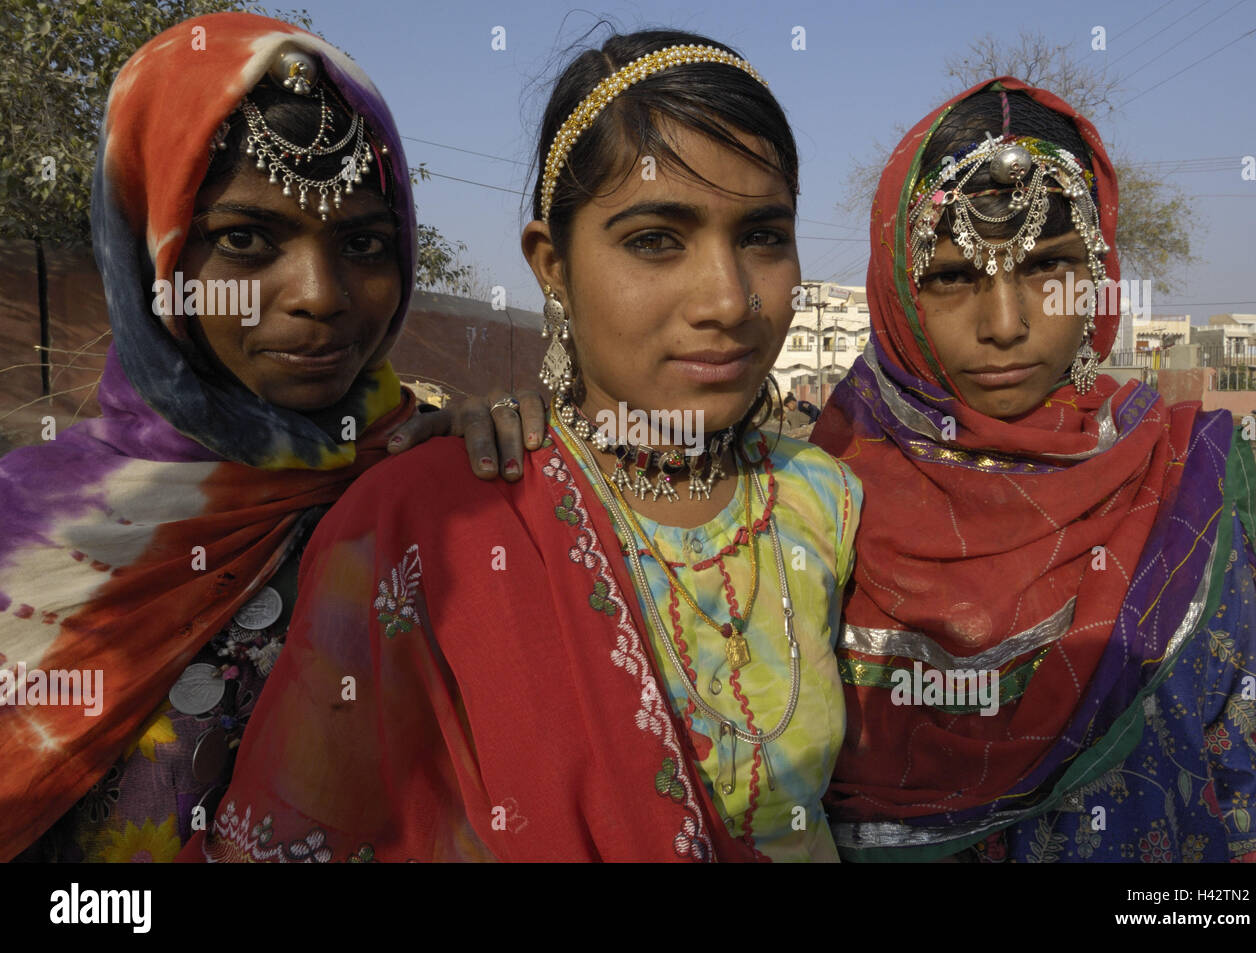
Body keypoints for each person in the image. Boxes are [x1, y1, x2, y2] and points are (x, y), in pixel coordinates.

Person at [184, 29, 862, 863]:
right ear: (551, 265)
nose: (728, 298)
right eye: (656, 239)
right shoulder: (435, 516)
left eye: (763, 235)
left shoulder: (825, 498)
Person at [0, 11, 536, 863]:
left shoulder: (433, 487)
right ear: (151, 252)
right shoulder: (24, 537)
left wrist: (504, 471)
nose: (320, 294)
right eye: (245, 239)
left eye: (362, 242)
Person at [813, 77, 1256, 861]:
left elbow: (1242, 779)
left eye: (1048, 269)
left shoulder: (1180, 479)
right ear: (900, 292)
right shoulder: (815, 495)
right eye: (953, 275)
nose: (1005, 325)